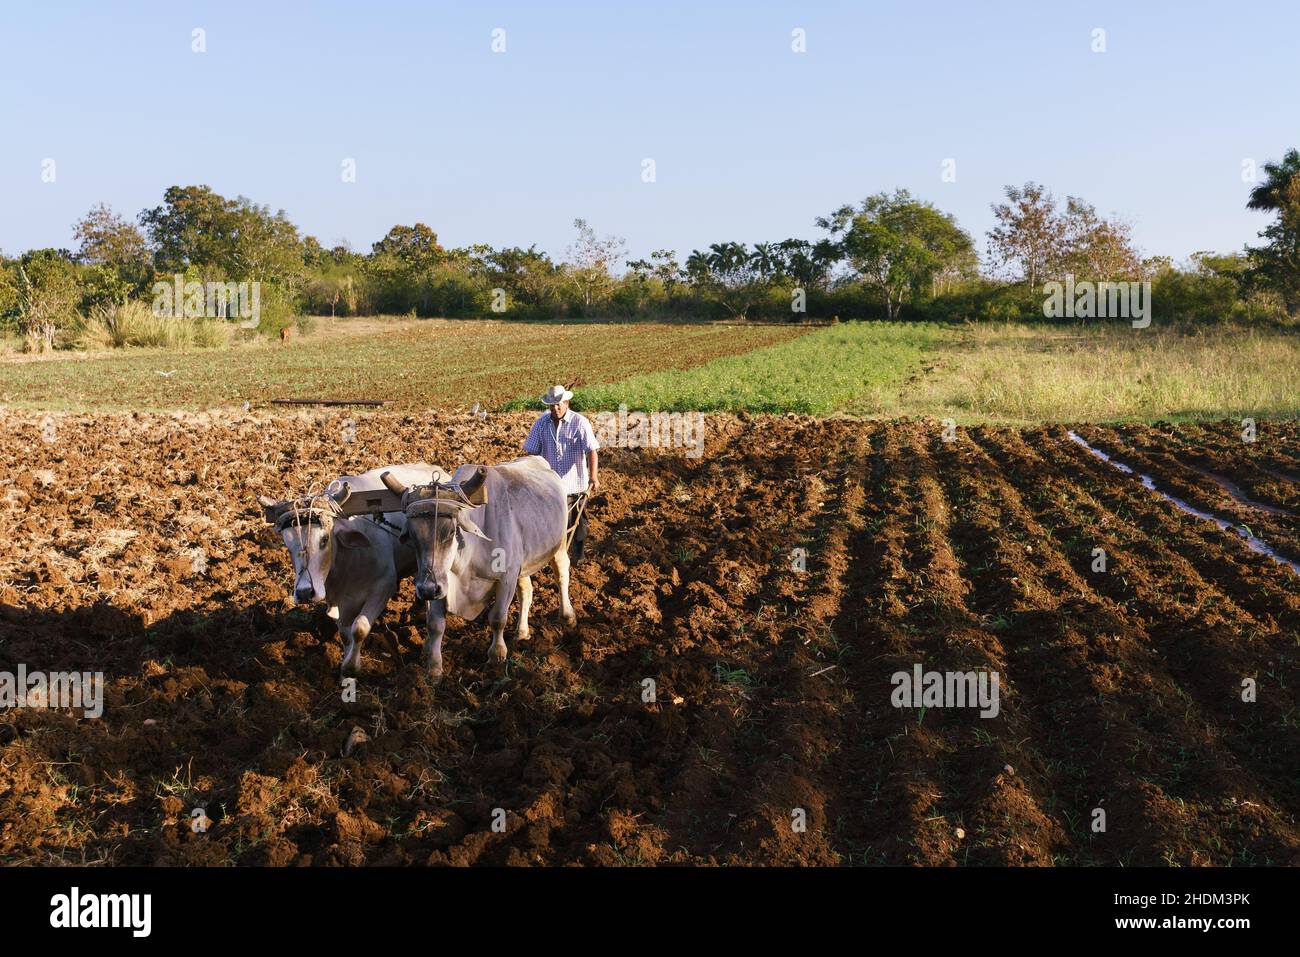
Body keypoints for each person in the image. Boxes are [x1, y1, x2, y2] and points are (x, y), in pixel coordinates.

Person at [523, 384, 600, 562]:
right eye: (552, 405)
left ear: (566, 403)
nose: (555, 408)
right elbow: (532, 452)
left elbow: (592, 450)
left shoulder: (579, 422)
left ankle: (578, 557)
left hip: (575, 486)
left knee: (579, 525)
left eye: (559, 404)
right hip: (550, 487)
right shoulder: (541, 424)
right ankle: (557, 558)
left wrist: (593, 477)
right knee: (555, 526)